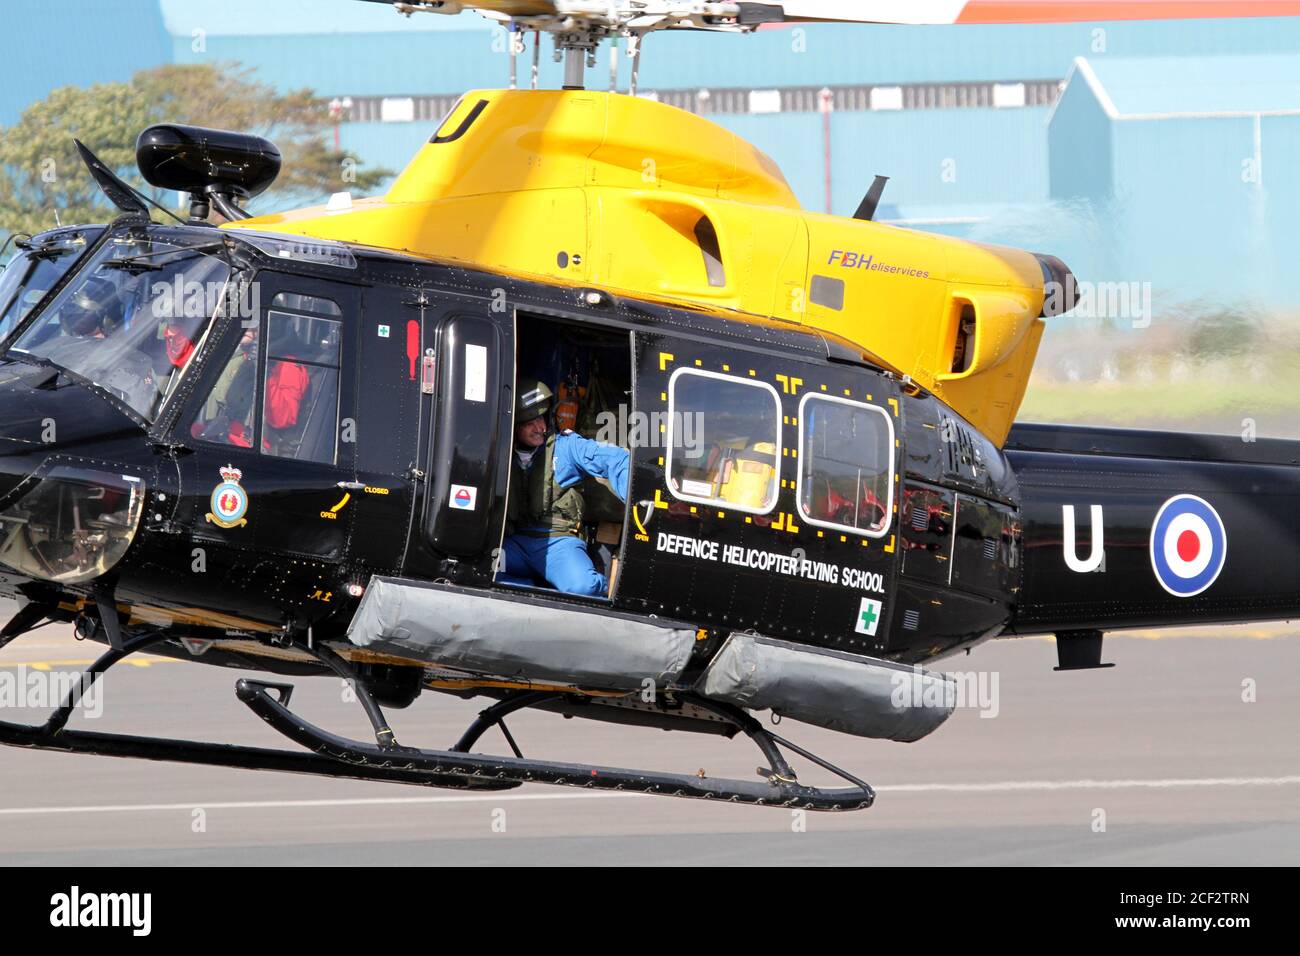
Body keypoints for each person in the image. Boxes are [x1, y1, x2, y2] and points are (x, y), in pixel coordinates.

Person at [500, 378, 629, 597]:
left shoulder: (566, 447)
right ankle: (530, 586)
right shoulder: (502, 452)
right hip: (516, 544)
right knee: (481, 566)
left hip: (558, 544)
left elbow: (617, 459)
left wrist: (635, 501)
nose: (540, 427)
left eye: (541, 419)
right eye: (530, 422)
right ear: (515, 425)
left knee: (582, 587)